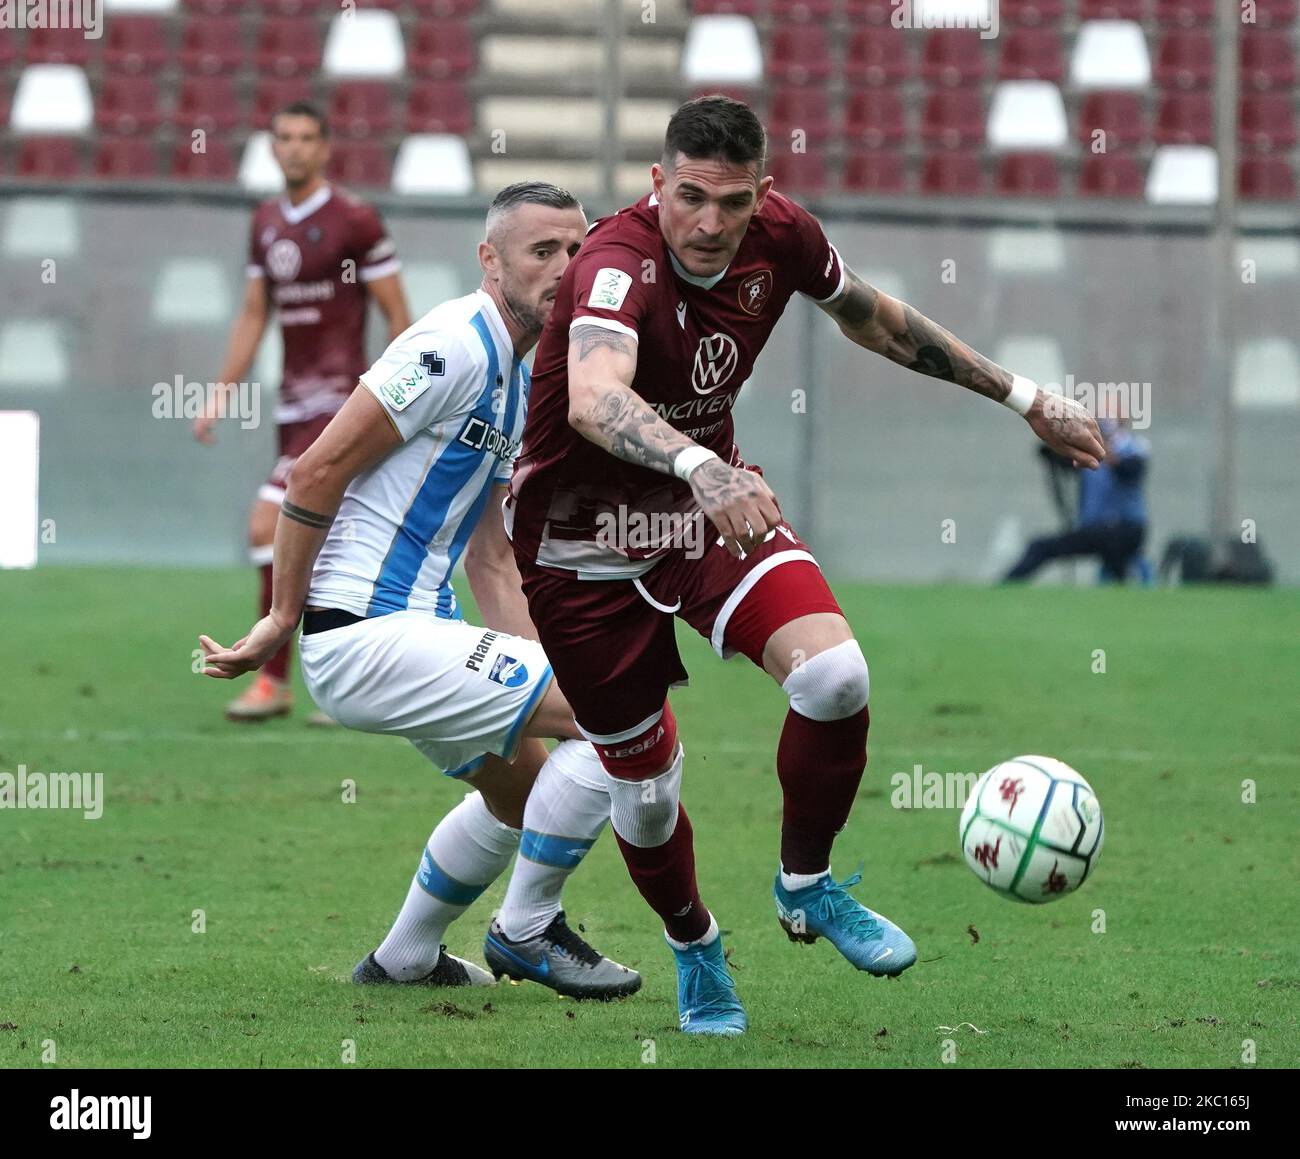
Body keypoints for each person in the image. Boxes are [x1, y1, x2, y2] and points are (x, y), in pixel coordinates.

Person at [507, 95, 1106, 1035]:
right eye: (691, 197)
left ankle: (806, 883)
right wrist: (701, 464)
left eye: (733, 203)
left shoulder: (781, 236)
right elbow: (592, 397)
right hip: (577, 543)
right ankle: (696, 945)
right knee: (648, 789)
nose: (709, 224)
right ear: (657, 183)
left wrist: (1023, 395)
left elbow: (874, 318)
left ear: (764, 195)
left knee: (833, 676)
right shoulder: (614, 263)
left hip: (701, 511)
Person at [198, 183, 640, 1000]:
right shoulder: (451, 345)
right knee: (617, 719)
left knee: (527, 788)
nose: (564, 268)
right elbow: (318, 467)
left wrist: (550, 662)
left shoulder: (521, 372)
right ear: (490, 260)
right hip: (361, 631)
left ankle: (404, 958)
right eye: (542, 251)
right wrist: (281, 617)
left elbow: (492, 557)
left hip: (411, 628)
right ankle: (527, 930)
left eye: (577, 251)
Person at [195, 101, 412, 723]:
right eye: (283, 137)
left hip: (342, 401)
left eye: (306, 138)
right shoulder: (265, 221)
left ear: (325, 148)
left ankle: (274, 680)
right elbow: (254, 314)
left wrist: (400, 399)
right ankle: (358, 683)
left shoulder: (355, 221)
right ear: (272, 147)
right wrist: (220, 392)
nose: (293, 148)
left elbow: (398, 314)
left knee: (269, 524)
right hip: (291, 407)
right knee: (335, 541)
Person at [1005, 417, 1149, 583]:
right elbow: (1064, 462)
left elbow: (1130, 470)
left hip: (1124, 529)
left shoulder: (1134, 448)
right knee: (1116, 573)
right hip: (1097, 529)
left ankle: (1005, 587)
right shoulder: (1088, 453)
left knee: (1042, 548)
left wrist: (1103, 448)